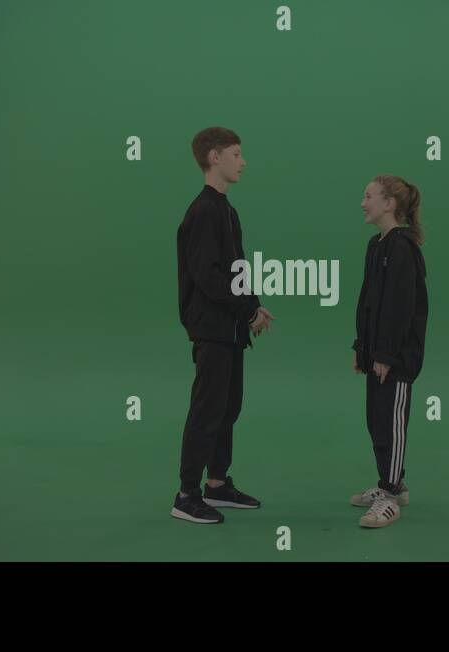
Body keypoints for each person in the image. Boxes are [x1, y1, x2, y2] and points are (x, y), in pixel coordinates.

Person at [172, 126, 275, 524]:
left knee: (229, 408)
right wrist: (245, 311)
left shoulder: (227, 210)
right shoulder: (202, 211)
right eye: (236, 153)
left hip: (230, 329)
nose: (242, 161)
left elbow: (235, 272)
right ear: (214, 158)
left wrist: (254, 307)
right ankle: (186, 495)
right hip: (212, 329)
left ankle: (217, 484)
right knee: (207, 410)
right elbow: (207, 275)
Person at [351, 175, 428, 528]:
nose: (363, 203)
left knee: (391, 424)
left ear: (389, 204)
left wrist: (386, 354)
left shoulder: (403, 247)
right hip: (376, 355)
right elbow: (369, 302)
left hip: (394, 359)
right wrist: (362, 347)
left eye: (369, 197)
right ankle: (389, 482)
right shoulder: (376, 245)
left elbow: (401, 306)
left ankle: (391, 494)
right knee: (376, 421)